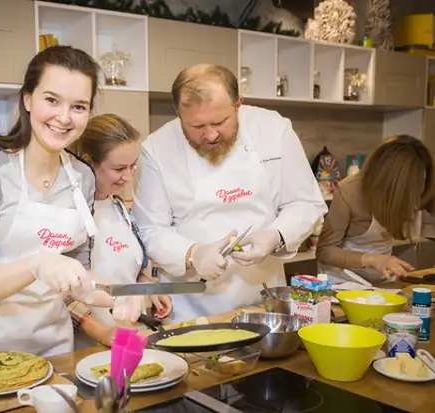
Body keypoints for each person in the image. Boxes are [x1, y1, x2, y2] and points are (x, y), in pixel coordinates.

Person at [0, 46, 144, 369]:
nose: (63, 117)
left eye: (78, 106)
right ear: (28, 99)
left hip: (49, 346)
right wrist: (36, 266)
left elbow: (81, 278)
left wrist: (120, 293)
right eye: (51, 100)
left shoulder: (82, 177)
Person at [131, 63, 328, 322]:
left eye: (220, 122)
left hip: (263, 298)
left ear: (238, 104)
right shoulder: (156, 148)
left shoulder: (273, 129)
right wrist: (192, 253)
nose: (210, 135)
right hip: (189, 306)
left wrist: (275, 235)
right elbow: (150, 229)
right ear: (179, 114)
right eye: (196, 126)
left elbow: (305, 202)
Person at [70, 114, 174, 349]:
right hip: (87, 347)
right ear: (88, 162)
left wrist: (148, 288)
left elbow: (129, 269)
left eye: (133, 165)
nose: (128, 177)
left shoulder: (120, 209)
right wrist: (102, 332)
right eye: (118, 168)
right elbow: (59, 292)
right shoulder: (70, 214)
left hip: (127, 340)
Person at [317, 135, 435, 284]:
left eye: (422, 182)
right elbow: (325, 251)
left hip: (383, 279)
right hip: (343, 281)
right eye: (409, 188)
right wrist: (372, 259)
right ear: (389, 181)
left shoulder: (418, 187)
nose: (417, 192)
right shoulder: (350, 192)